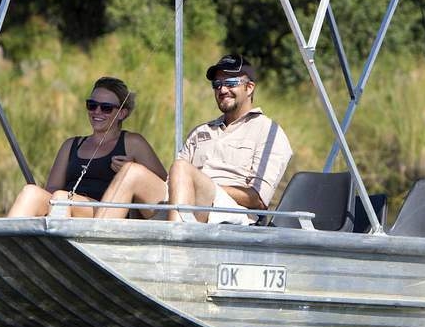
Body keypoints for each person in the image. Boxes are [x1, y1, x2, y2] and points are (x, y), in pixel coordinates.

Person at [96, 53, 292, 224]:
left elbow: (258, 199)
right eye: (217, 84)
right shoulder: (201, 131)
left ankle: (176, 250)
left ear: (249, 88)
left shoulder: (269, 131)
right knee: (133, 171)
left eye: (231, 83)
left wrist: (199, 184)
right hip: (183, 203)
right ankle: (94, 243)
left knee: (182, 170)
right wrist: (184, 184)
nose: (222, 90)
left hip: (228, 213)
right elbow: (173, 181)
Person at [7, 77, 166, 218]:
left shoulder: (132, 142)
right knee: (31, 192)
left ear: (122, 113)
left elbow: (162, 184)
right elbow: (52, 189)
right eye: (92, 105)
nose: (97, 111)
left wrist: (131, 167)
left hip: (106, 211)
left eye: (106, 108)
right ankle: (7, 244)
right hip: (64, 203)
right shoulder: (71, 145)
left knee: (61, 199)